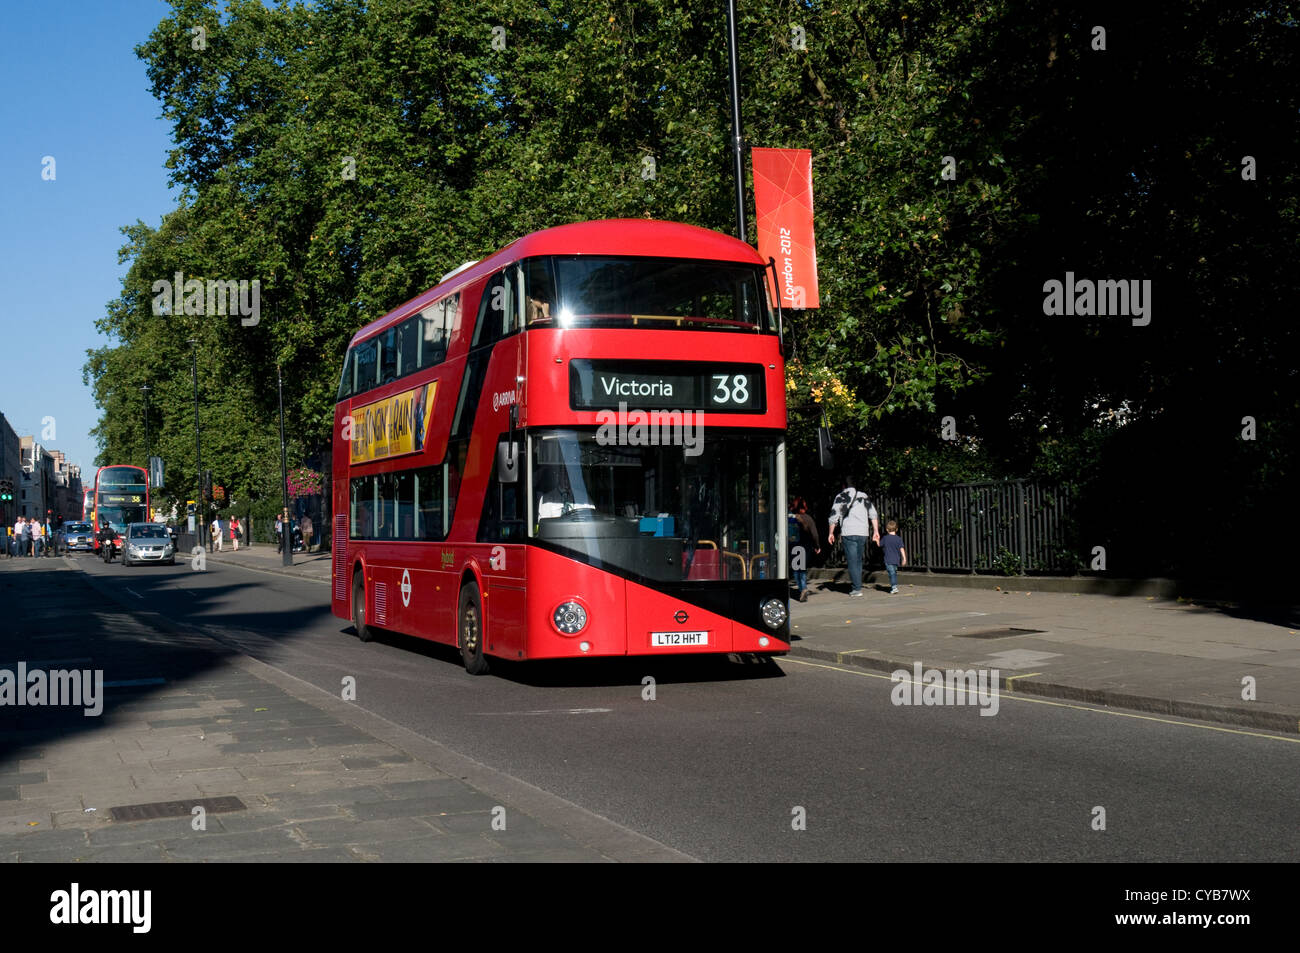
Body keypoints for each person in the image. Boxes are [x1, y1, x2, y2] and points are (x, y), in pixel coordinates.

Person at [827, 476, 879, 598]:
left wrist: (831, 533)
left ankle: (857, 588)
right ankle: (857, 584)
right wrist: (876, 531)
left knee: (852, 561)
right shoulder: (863, 496)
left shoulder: (840, 496)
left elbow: (834, 516)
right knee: (858, 560)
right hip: (862, 532)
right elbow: (873, 514)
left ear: (844, 486)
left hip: (849, 532)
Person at [789, 496, 820, 602]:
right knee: (802, 569)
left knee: (796, 569)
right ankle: (803, 588)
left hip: (794, 546)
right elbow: (814, 534)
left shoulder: (790, 518)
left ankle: (802, 588)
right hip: (806, 546)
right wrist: (817, 546)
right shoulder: (808, 518)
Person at [880, 520, 907, 594]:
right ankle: (894, 586)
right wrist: (904, 558)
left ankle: (894, 587)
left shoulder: (885, 538)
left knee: (891, 573)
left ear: (887, 529)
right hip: (896, 560)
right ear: (897, 529)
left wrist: (876, 540)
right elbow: (902, 549)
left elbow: (880, 544)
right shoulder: (898, 539)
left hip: (888, 559)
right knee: (894, 573)